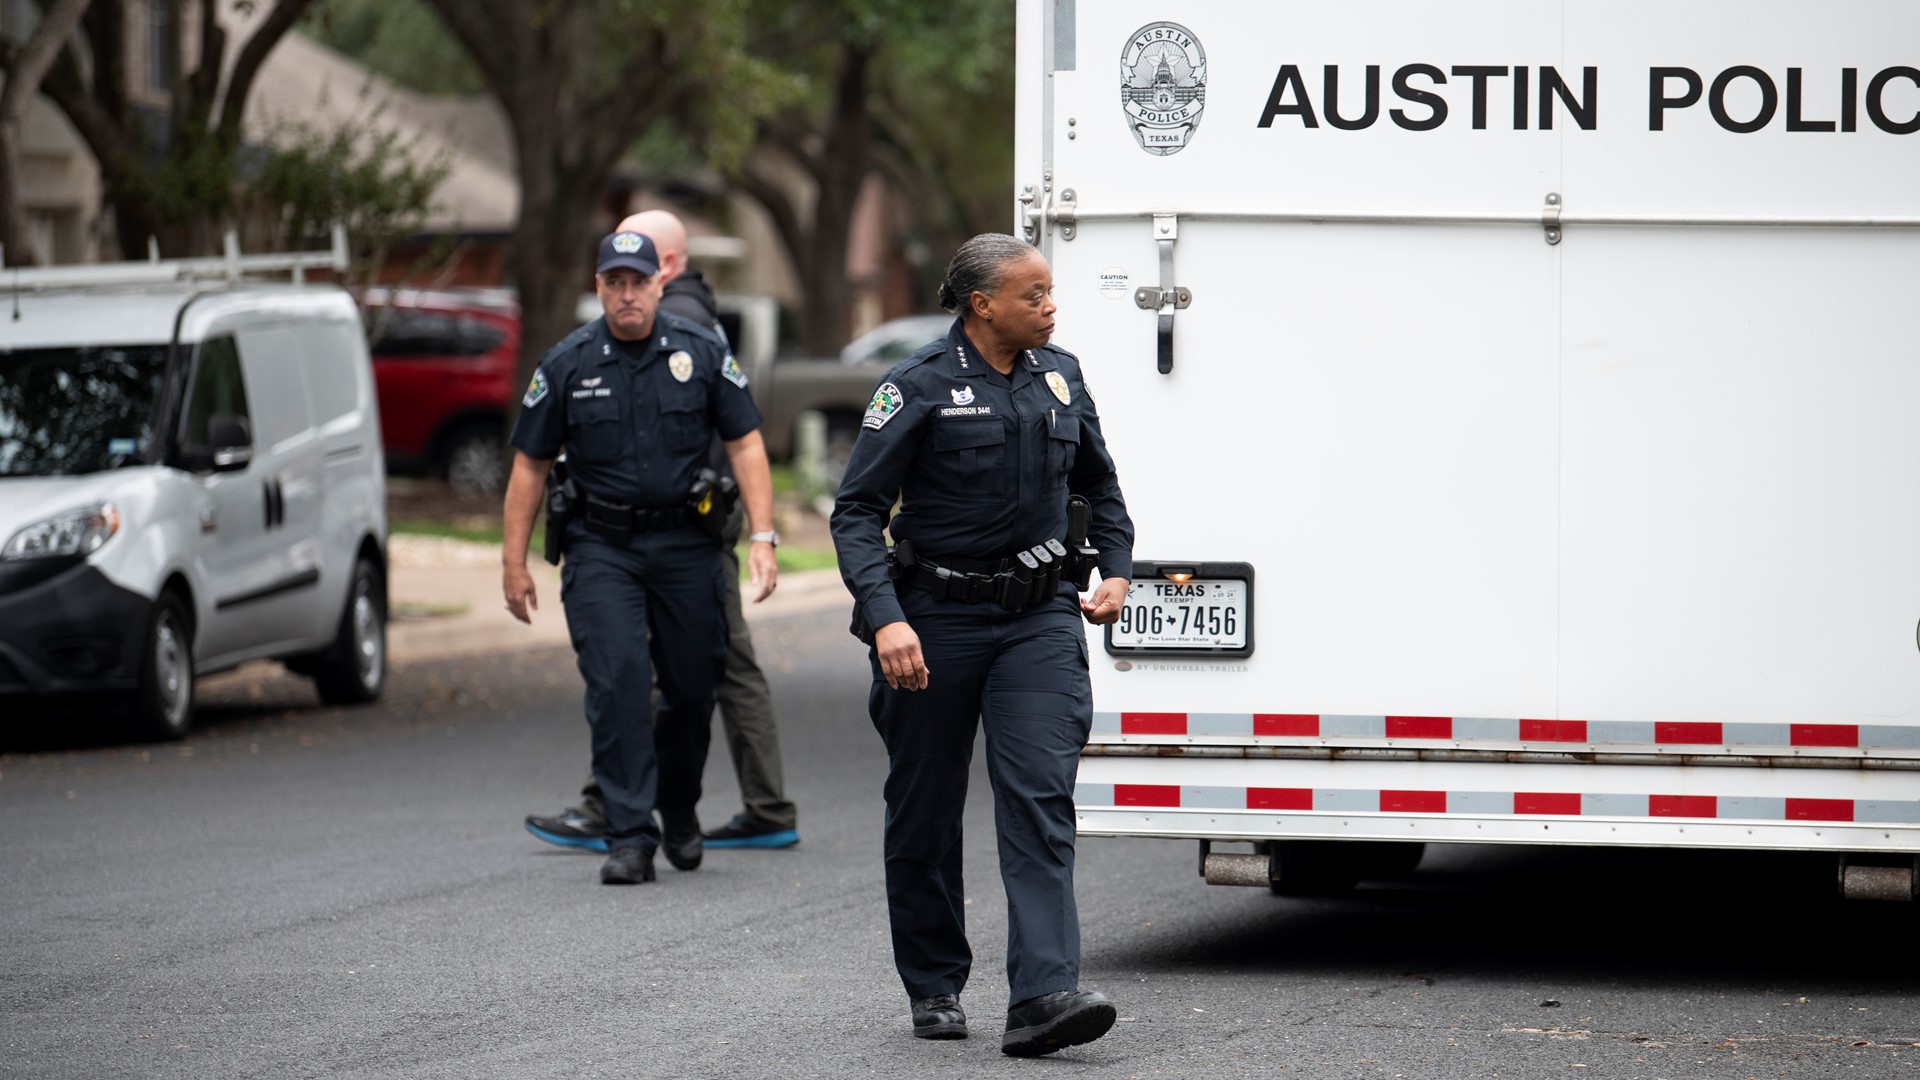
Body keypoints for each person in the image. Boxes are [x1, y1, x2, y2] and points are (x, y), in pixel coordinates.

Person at [830, 233, 1135, 1055]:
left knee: (1039, 797)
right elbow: (856, 512)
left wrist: (1116, 567)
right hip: (933, 620)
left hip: (1039, 619)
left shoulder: (1060, 375)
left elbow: (1099, 483)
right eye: (1033, 294)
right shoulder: (917, 385)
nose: (1050, 306)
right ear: (982, 304)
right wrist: (887, 618)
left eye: (1050, 291)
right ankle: (934, 983)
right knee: (925, 807)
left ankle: (1043, 996)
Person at [503, 229, 779, 885]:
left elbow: (745, 443)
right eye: (615, 282)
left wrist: (763, 537)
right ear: (599, 288)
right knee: (618, 683)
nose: (627, 294)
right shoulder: (567, 363)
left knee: (693, 687)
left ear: (660, 283)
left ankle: (677, 805)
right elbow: (530, 464)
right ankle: (629, 834)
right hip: (602, 547)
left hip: (688, 545)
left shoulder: (701, 351)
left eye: (638, 281)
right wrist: (513, 562)